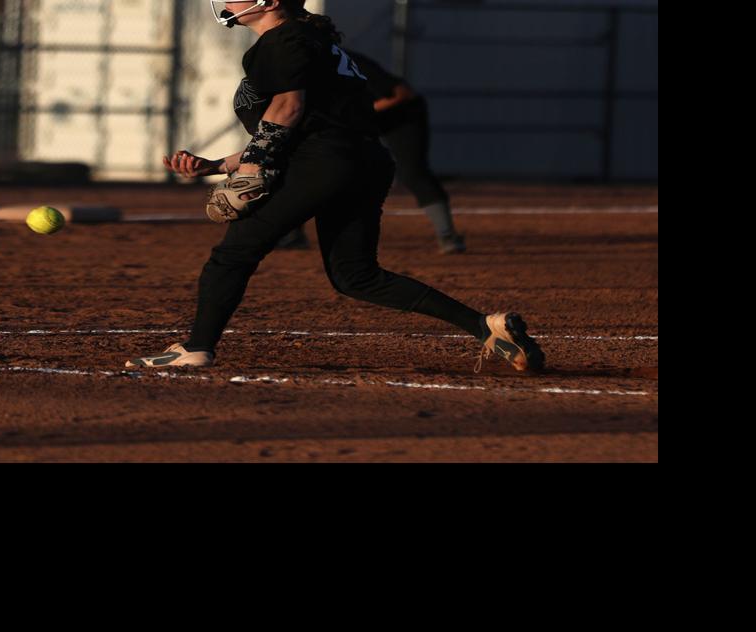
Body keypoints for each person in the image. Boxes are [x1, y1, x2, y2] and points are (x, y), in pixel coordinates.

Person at [126, 0, 542, 374]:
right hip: (360, 161)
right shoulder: (314, 42)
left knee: (233, 254)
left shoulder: (283, 38)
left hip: (325, 163)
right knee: (356, 276)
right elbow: (306, 126)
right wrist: (218, 165)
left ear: (268, 2)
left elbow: (290, 108)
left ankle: (197, 348)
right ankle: (485, 327)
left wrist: (254, 163)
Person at [278, 47, 466, 254]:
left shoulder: (340, 60)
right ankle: (292, 235)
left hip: (401, 115)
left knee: (413, 173)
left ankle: (447, 235)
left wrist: (353, 114)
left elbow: (401, 93)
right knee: (309, 163)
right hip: (356, 118)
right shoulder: (295, 67)